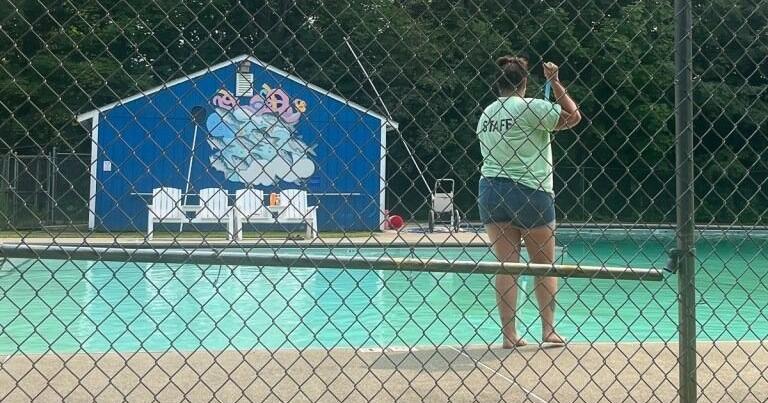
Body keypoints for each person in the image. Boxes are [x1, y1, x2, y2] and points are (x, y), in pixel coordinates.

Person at [476, 56, 581, 347]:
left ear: (499, 83)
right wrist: (554, 83)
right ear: (524, 82)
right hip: (530, 191)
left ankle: (509, 336)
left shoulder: (487, 114)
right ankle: (548, 330)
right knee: (543, 265)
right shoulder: (532, 107)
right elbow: (573, 116)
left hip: (491, 191)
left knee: (507, 265)